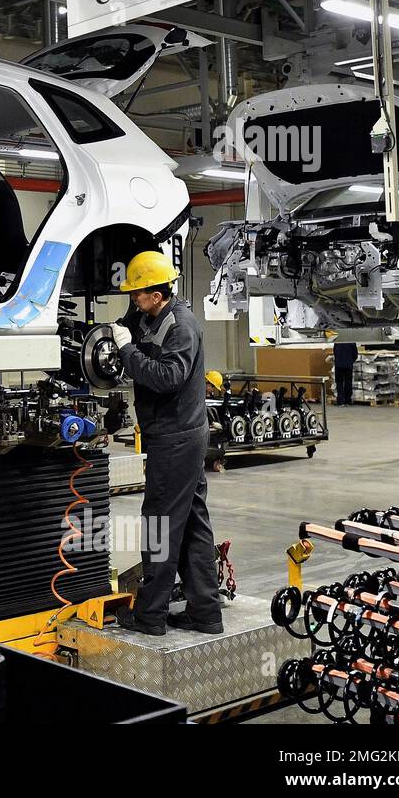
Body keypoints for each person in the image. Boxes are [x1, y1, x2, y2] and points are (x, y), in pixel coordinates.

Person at [109, 251, 224, 636]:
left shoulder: (181, 326)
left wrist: (126, 352)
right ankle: (205, 613)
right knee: (192, 524)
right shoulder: (150, 316)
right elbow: (129, 328)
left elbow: (167, 377)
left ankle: (151, 614)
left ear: (157, 294)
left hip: (176, 439)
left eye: (138, 294)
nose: (133, 300)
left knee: (159, 523)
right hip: (179, 435)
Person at [333, 341, 358, 406]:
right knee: (348, 382)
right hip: (348, 365)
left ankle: (340, 401)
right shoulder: (352, 342)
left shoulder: (337, 342)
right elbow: (355, 354)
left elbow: (335, 353)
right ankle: (348, 401)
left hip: (339, 365)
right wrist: (350, 361)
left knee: (339, 382)